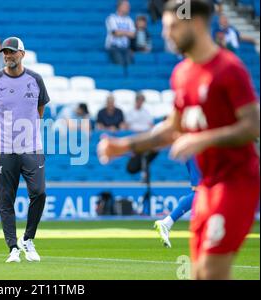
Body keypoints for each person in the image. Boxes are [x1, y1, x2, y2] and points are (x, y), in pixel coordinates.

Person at [97, 0, 260, 280]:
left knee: (211, 271)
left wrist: (203, 139)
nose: (165, 34)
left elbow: (253, 125)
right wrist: (123, 146)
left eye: (172, 26)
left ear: (195, 24)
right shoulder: (182, 74)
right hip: (207, 188)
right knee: (200, 274)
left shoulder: (229, 69)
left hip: (236, 183)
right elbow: (172, 128)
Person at [0, 36, 50, 263]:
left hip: (31, 147)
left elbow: (40, 110)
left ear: (22, 54)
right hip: (3, 149)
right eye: (5, 53)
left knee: (39, 193)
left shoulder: (35, 79)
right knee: (5, 199)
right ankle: (12, 247)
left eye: (12, 52)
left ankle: (28, 239)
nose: (8, 56)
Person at [154, 156, 201, 248]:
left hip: (201, 150)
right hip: (198, 150)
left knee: (203, 192)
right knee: (200, 191)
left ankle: (167, 222)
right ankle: (167, 222)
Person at [105, 0, 135, 66]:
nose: (128, 7)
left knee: (130, 65)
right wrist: (127, 32)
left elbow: (133, 34)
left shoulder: (129, 20)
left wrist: (121, 32)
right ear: (119, 7)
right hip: (114, 47)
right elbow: (115, 33)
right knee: (120, 65)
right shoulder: (111, 18)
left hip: (126, 48)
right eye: (126, 6)